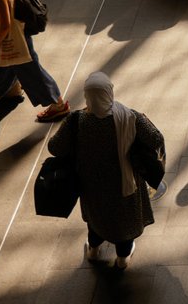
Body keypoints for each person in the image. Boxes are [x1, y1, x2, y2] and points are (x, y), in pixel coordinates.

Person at [47, 71, 165, 270]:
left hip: (90, 183)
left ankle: (93, 249)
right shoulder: (130, 116)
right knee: (124, 219)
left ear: (87, 96)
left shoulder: (76, 120)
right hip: (125, 181)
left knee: (96, 216)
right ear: (109, 93)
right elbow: (156, 138)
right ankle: (122, 258)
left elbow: (54, 147)